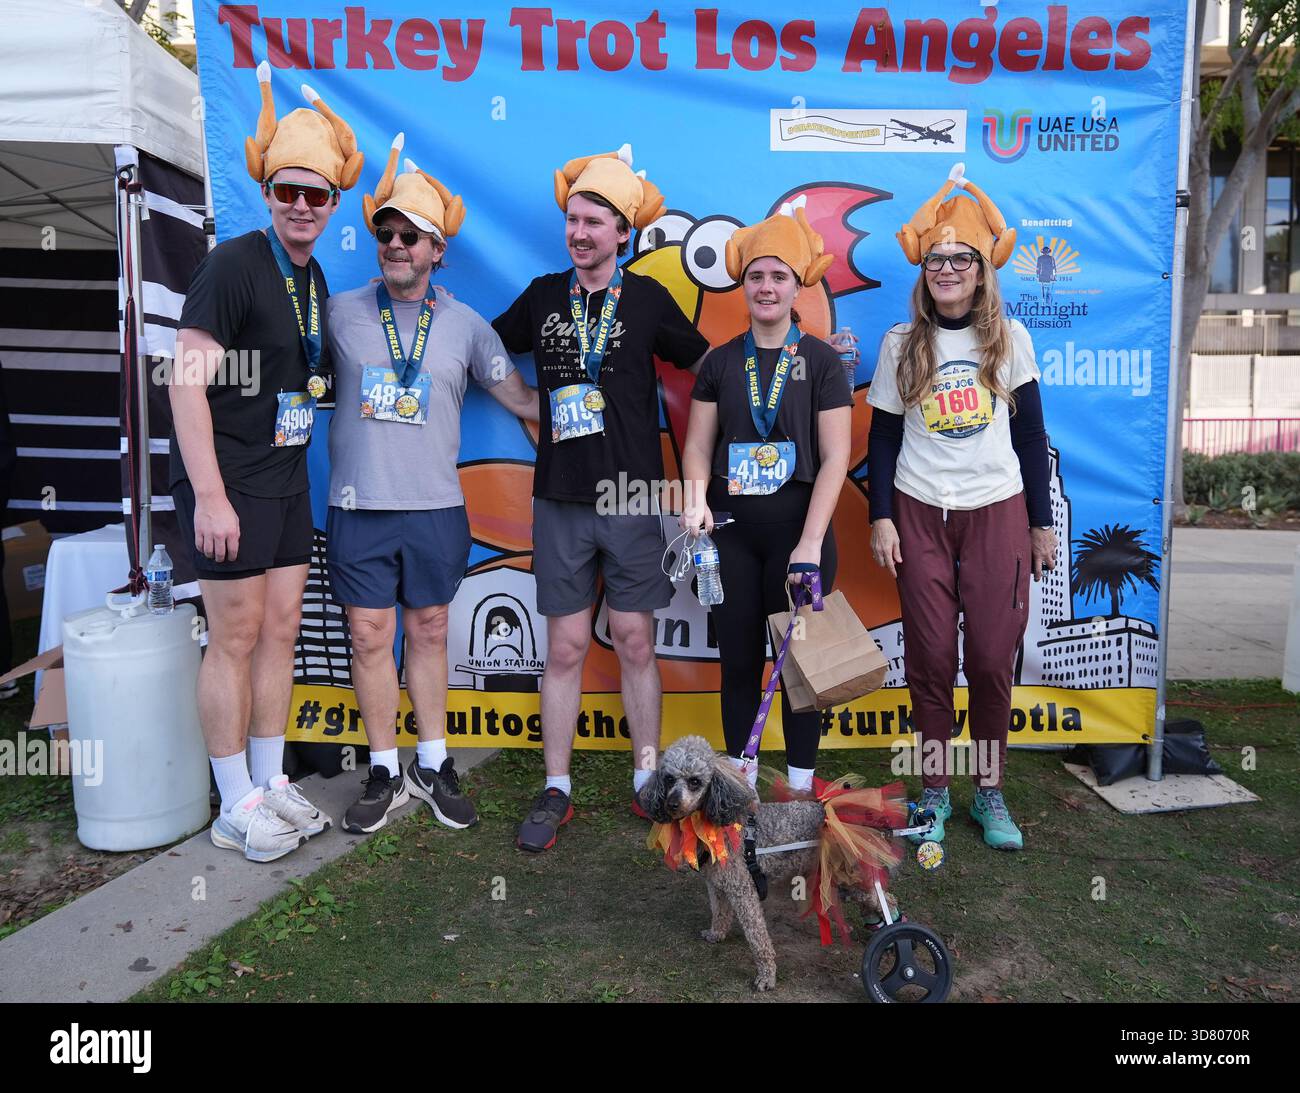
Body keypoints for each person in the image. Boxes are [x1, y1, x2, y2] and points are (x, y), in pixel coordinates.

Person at [169, 65, 363, 862]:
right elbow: (183, 382)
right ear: (267, 191)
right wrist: (209, 497)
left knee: (281, 630)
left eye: (316, 196)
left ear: (333, 203)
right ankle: (231, 800)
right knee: (236, 634)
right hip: (231, 483)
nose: (302, 206)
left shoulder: (311, 277)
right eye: (288, 192)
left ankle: (267, 777)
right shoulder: (233, 264)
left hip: (285, 482)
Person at [492, 145, 709, 853]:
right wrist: (529, 405)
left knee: (637, 638)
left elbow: (705, 362)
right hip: (559, 496)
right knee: (565, 644)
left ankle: (647, 774)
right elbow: (485, 352)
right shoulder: (545, 296)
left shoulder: (646, 298)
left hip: (634, 493)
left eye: (595, 221)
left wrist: (797, 354)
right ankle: (558, 785)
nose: (579, 232)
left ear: (623, 232)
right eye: (573, 219)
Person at [326, 138, 539, 834]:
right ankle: (383, 767)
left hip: (437, 509)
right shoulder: (340, 313)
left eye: (409, 235)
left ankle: (434, 760)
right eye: (385, 233)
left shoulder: (467, 325)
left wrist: (602, 416)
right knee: (366, 635)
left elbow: (526, 402)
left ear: (436, 249)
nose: (394, 244)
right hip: (358, 506)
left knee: (430, 628)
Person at [866, 163, 1056, 851]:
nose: (947, 269)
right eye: (937, 259)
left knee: (991, 659)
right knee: (930, 655)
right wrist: (880, 514)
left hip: (996, 512)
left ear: (981, 271)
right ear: (925, 272)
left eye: (961, 259)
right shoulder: (899, 343)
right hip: (919, 511)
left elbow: (1032, 435)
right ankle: (936, 790)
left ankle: (991, 790)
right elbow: (883, 433)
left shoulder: (1010, 340)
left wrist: (1041, 523)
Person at [680, 202, 852, 792]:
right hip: (731, 535)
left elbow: (835, 458)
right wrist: (695, 499)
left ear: (797, 283)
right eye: (756, 276)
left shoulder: (822, 361)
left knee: (803, 665)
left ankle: (802, 790)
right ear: (742, 283)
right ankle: (740, 784)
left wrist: (808, 544)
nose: (766, 287)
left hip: (798, 537)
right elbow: (698, 446)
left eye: (778, 276)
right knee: (738, 662)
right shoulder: (721, 362)